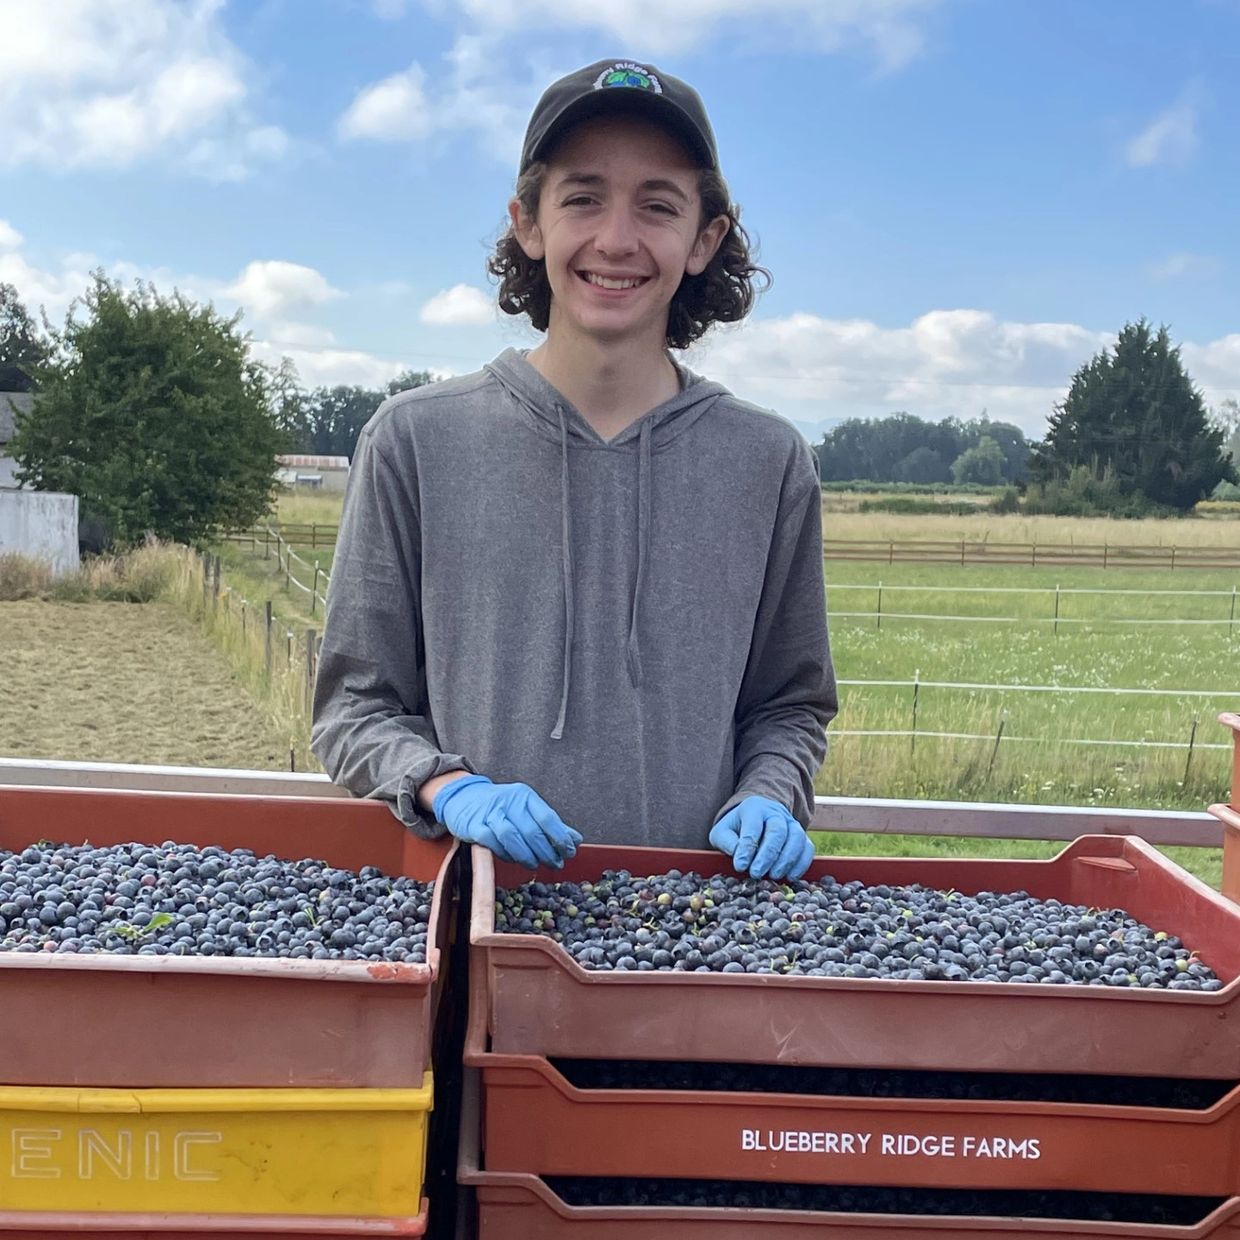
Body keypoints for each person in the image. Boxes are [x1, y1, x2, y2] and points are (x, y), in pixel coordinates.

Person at [311, 58, 836, 881]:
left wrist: (771, 790)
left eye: (657, 205)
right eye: (583, 198)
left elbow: (789, 704)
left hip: (693, 929)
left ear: (704, 240)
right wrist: (445, 785)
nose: (616, 239)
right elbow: (353, 708)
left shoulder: (768, 463)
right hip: (476, 921)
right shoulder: (412, 441)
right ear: (528, 223)